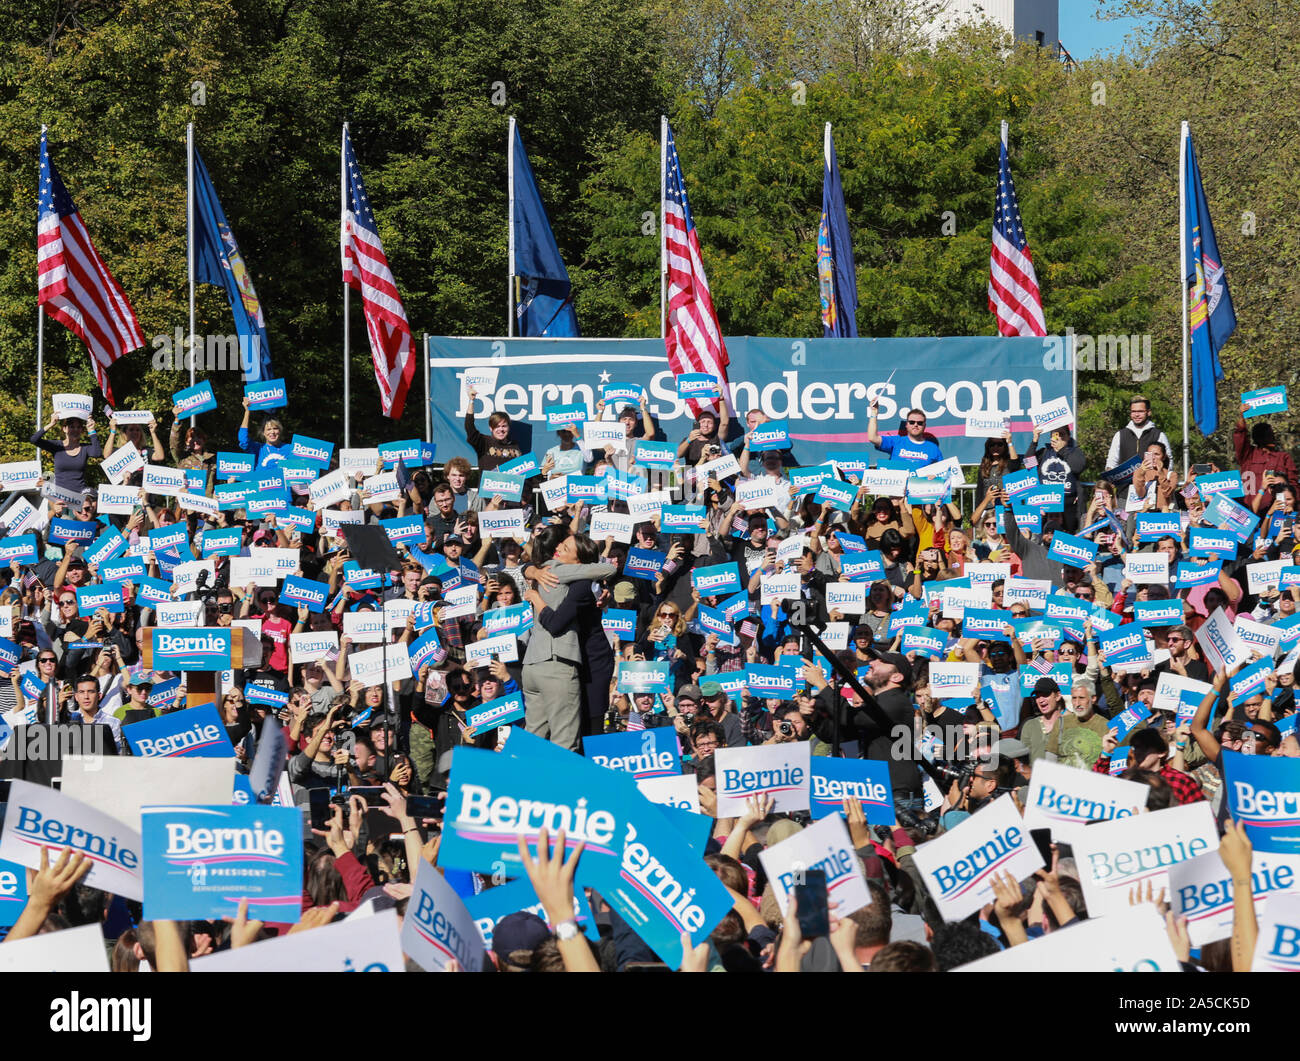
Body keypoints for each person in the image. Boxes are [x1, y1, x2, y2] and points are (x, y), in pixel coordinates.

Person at [32, 412, 102, 495]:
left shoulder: (85, 448)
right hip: (59, 496)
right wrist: (51, 424)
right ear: (64, 429)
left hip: (79, 497)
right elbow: (34, 439)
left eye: (78, 427)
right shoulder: (57, 446)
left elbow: (97, 453)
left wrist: (91, 430)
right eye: (72, 427)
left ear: (82, 430)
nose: (75, 430)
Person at [1105, 394, 1170, 472]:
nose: (1136, 415)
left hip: (1150, 479)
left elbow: (1169, 461)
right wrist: (1109, 473)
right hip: (1125, 480)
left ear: (1148, 412)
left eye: (1140, 411)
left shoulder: (1159, 435)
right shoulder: (1120, 435)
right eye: (1133, 411)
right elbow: (1111, 462)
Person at [865, 402, 942, 467]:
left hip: (919, 480)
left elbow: (942, 471)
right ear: (906, 425)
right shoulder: (896, 441)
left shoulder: (933, 448)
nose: (915, 425)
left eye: (920, 423)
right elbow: (872, 438)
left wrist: (934, 476)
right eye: (912, 422)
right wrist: (874, 412)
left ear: (924, 426)